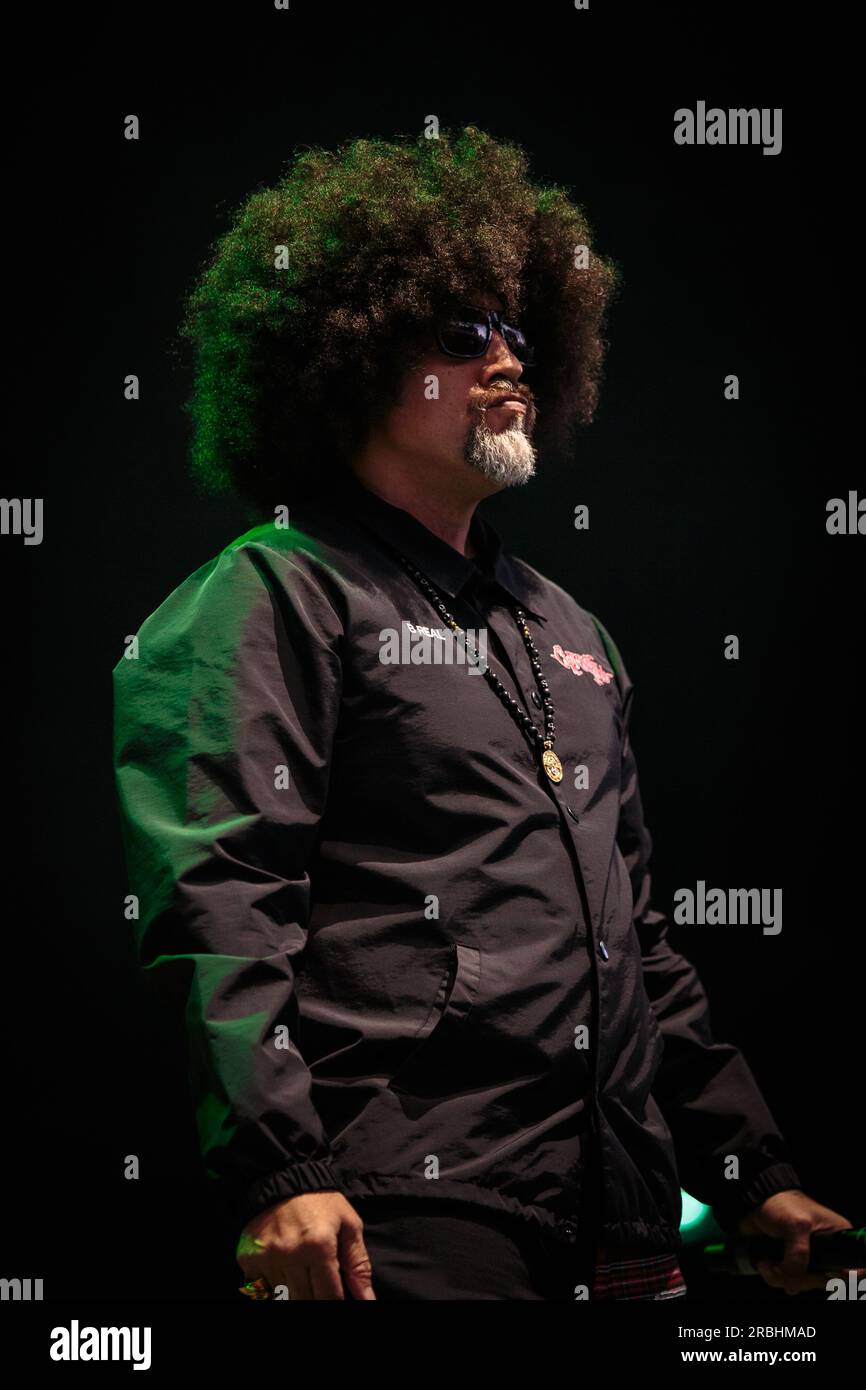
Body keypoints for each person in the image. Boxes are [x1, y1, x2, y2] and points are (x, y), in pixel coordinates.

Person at [112, 125, 853, 1300]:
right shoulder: (271, 594)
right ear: (348, 356)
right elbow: (221, 908)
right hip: (402, 1213)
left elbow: (635, 940)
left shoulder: (569, 631)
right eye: (460, 333)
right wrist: (277, 1170)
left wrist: (748, 1167)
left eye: (517, 329)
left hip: (626, 1219)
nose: (507, 357)